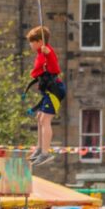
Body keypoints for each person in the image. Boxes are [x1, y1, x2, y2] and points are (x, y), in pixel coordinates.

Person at [24, 26, 63, 164]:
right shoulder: (41, 53)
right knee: (40, 118)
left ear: (40, 41)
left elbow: (54, 65)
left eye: (32, 41)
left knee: (45, 120)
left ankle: (46, 153)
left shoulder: (47, 52)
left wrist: (48, 53)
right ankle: (40, 148)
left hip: (55, 91)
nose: (30, 44)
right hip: (49, 91)